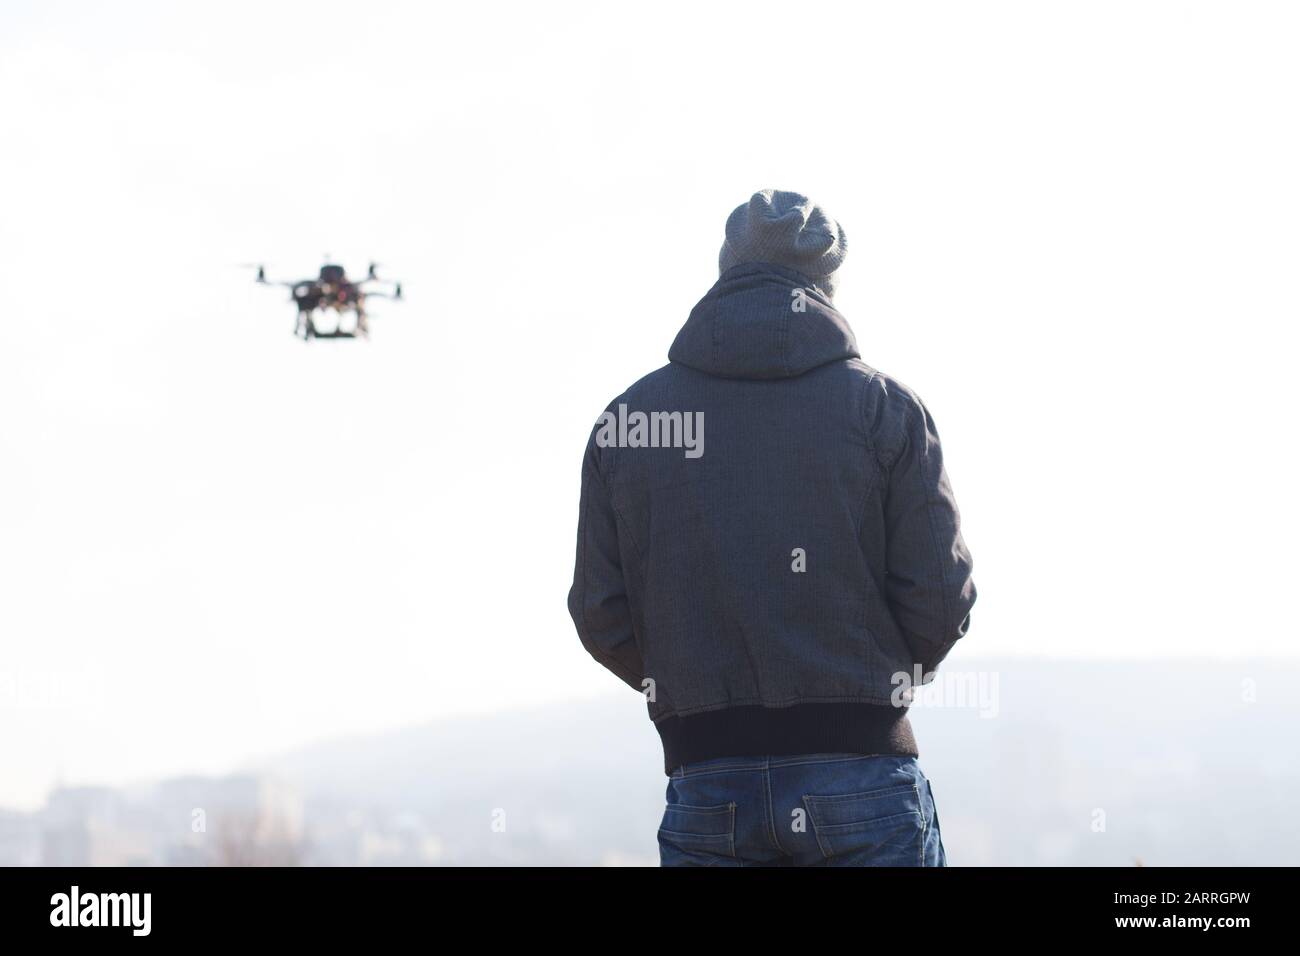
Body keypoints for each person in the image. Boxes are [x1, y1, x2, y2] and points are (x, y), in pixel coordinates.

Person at [567, 189, 975, 866]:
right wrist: (865, 689)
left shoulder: (631, 421)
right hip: (863, 781)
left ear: (725, 271)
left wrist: (695, 691)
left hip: (707, 785)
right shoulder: (884, 409)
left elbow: (600, 613)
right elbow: (940, 598)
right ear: (827, 286)